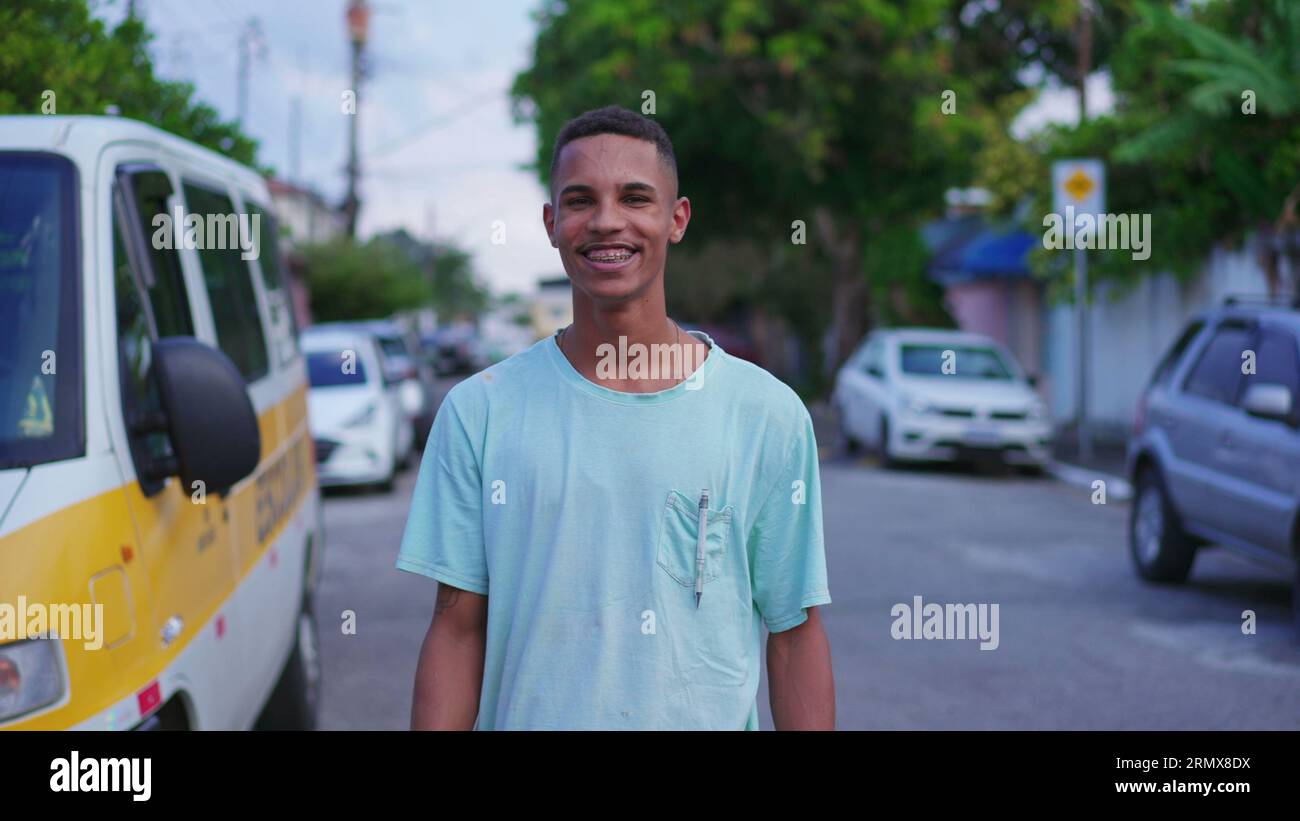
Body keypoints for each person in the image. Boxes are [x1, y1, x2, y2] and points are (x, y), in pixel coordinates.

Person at [397, 105, 833, 730]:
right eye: (579, 200)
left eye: (635, 198)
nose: (606, 222)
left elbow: (794, 632)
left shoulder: (766, 416)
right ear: (551, 224)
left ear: (676, 219)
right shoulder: (480, 412)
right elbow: (458, 630)